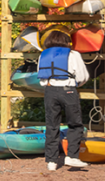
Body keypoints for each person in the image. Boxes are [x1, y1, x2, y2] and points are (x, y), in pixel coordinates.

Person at [38, 29, 89, 170]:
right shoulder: (73, 54)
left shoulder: (43, 55)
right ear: (66, 42)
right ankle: (72, 156)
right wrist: (75, 84)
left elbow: (41, 77)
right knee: (75, 124)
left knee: (52, 125)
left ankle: (51, 161)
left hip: (49, 91)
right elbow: (83, 76)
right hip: (68, 90)